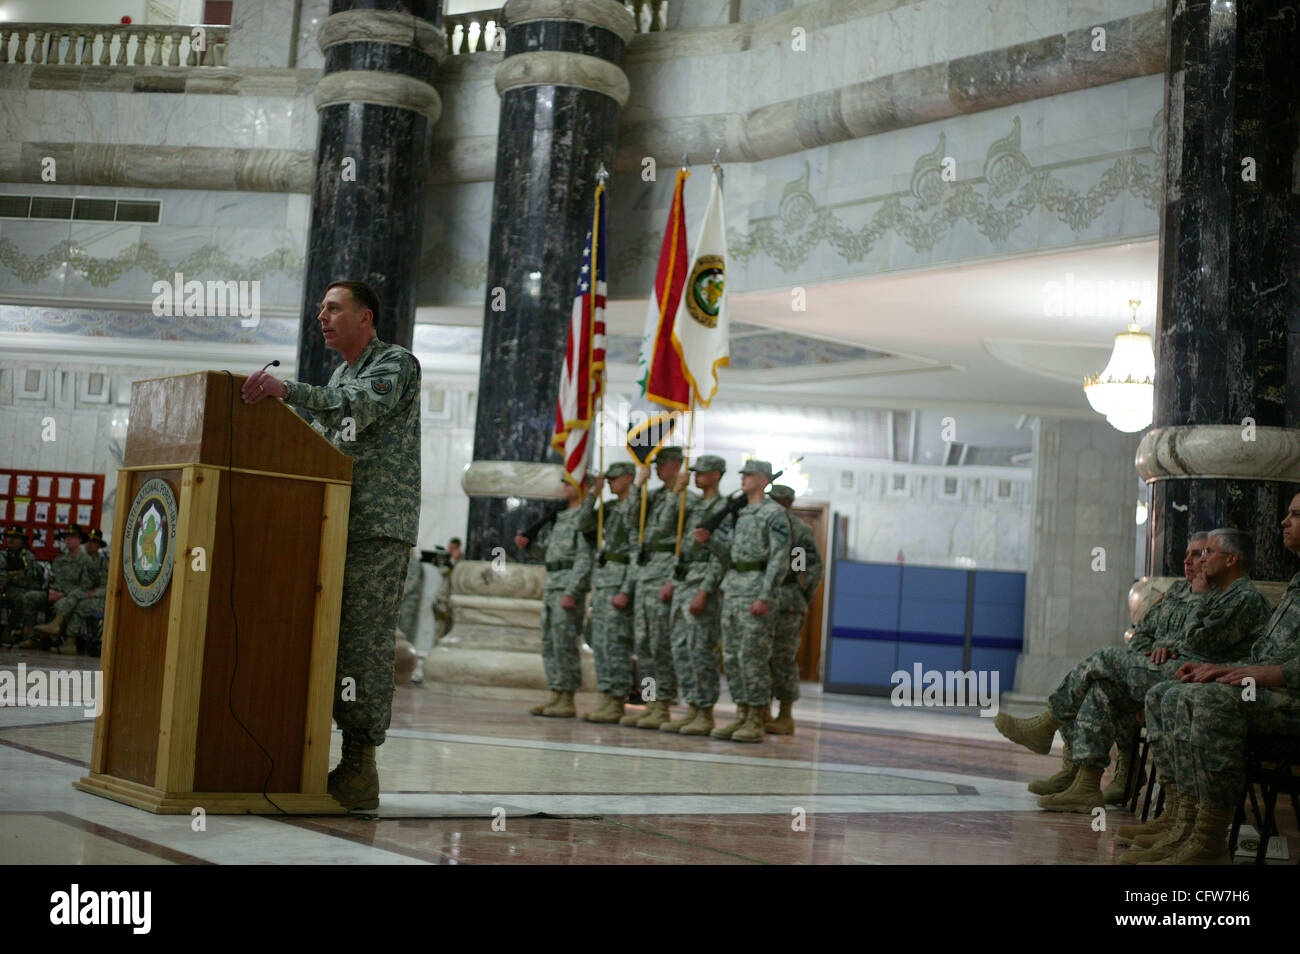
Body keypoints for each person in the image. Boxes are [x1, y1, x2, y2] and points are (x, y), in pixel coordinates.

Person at [242, 279, 421, 812]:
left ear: (365, 318)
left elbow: (353, 409)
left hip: (375, 526)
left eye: (334, 308)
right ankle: (310, 750)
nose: (322, 316)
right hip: (329, 517)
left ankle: (360, 764)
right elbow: (320, 434)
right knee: (322, 637)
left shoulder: (396, 364)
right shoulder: (342, 371)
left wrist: (287, 392)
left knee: (362, 643)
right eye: (321, 308)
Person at [994, 528, 1270, 813]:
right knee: (1103, 688)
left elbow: (1200, 642)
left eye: (1203, 553)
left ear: (1230, 560)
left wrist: (1188, 616)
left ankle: (1047, 724)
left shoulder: (1239, 597)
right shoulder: (1186, 592)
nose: (1192, 560)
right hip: (1175, 669)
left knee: (1105, 660)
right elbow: (1145, 633)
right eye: (1190, 553)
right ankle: (1084, 783)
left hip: (1196, 678)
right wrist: (1156, 648)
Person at [1121, 494, 1300, 864]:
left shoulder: (1244, 596)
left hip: (1291, 695)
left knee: (1211, 701)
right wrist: (1225, 669)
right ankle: (1181, 821)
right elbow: (1263, 651)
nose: (1283, 522)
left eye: (1295, 515)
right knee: (1167, 694)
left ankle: (1208, 838)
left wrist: (1260, 672)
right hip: (1272, 685)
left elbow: (1260, 660)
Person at [701, 460, 790, 743]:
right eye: (743, 474)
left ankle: (756, 717)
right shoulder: (741, 513)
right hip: (734, 589)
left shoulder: (773, 513)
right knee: (732, 657)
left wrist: (765, 595)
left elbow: (778, 558)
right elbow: (731, 556)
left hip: (755, 593)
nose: (743, 478)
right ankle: (741, 713)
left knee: (753, 657)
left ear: (764, 480)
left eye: (749, 475)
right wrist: (710, 541)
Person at [659, 455, 730, 736]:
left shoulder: (723, 508)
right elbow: (669, 532)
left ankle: (705, 711)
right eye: (695, 472)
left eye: (703, 472)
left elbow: (720, 555)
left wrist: (705, 590)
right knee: (681, 648)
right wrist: (673, 580)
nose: (697, 476)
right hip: (684, 580)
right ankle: (691, 707)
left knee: (701, 650)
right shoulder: (694, 504)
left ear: (717, 475)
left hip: (702, 583)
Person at [516, 476, 595, 718]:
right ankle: (556, 693)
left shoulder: (584, 517)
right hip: (552, 584)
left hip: (567, 587)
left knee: (565, 642)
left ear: (583, 487)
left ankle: (567, 698)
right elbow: (549, 555)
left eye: (569, 483)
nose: (564, 487)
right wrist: (529, 546)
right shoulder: (560, 517)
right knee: (550, 641)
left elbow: (584, 558)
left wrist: (573, 591)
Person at [620, 446, 687, 729]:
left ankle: (664, 704)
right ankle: (650, 702)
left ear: (675, 465)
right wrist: (637, 485)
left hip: (665, 577)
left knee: (661, 646)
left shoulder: (687, 500)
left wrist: (675, 579)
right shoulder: (653, 496)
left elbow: (667, 533)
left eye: (662, 464)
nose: (657, 469)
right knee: (644, 646)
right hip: (645, 577)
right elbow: (629, 520)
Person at [765, 485, 824, 735]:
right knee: (760, 657)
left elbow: (805, 568)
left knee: (782, 659)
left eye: (779, 500)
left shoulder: (798, 531)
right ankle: (761, 711)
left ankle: (785, 714)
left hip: (786, 602)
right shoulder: (762, 522)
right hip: (762, 598)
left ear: (788, 502)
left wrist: (800, 596)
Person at [583, 462, 638, 723]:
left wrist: (627, 589)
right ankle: (606, 696)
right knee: (601, 643)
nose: (611, 483)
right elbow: (583, 524)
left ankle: (617, 700)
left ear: (629, 479)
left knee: (617, 644)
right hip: (604, 581)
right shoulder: (609, 508)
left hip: (619, 582)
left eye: (615, 479)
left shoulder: (637, 507)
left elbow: (637, 553)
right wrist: (593, 493)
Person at [35, 527, 110, 654]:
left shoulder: (104, 563)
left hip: (101, 598)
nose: (89, 545)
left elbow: (109, 586)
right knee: (77, 599)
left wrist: (94, 593)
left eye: (93, 542)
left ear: (98, 545)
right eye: (88, 542)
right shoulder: (86, 561)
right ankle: (67, 640)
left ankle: (62, 632)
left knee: (78, 601)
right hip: (85, 595)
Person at [16, 525, 91, 651]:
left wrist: (63, 594)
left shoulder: (86, 561)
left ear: (80, 540)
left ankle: (52, 636)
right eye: (67, 537)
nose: (68, 540)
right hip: (52, 594)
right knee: (29, 597)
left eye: (72, 537)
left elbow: (84, 586)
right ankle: (30, 636)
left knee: (61, 605)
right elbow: (51, 578)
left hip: (68, 597)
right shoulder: (59, 559)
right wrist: (49, 590)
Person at [1, 526, 41, 645]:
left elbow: (31, 578)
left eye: (15, 538)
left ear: (22, 541)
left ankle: (9, 631)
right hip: (4, 588)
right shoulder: (2, 555)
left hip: (20, 589)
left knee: (23, 599)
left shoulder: (27, 556)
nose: (11, 540)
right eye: (9, 537)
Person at [432, 537, 462, 642]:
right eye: (449, 547)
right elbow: (443, 571)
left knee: (450, 631)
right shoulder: (447, 559)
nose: (450, 550)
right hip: (443, 599)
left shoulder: (462, 561)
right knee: (439, 629)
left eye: (452, 548)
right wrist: (452, 560)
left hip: (454, 599)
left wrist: (455, 560)